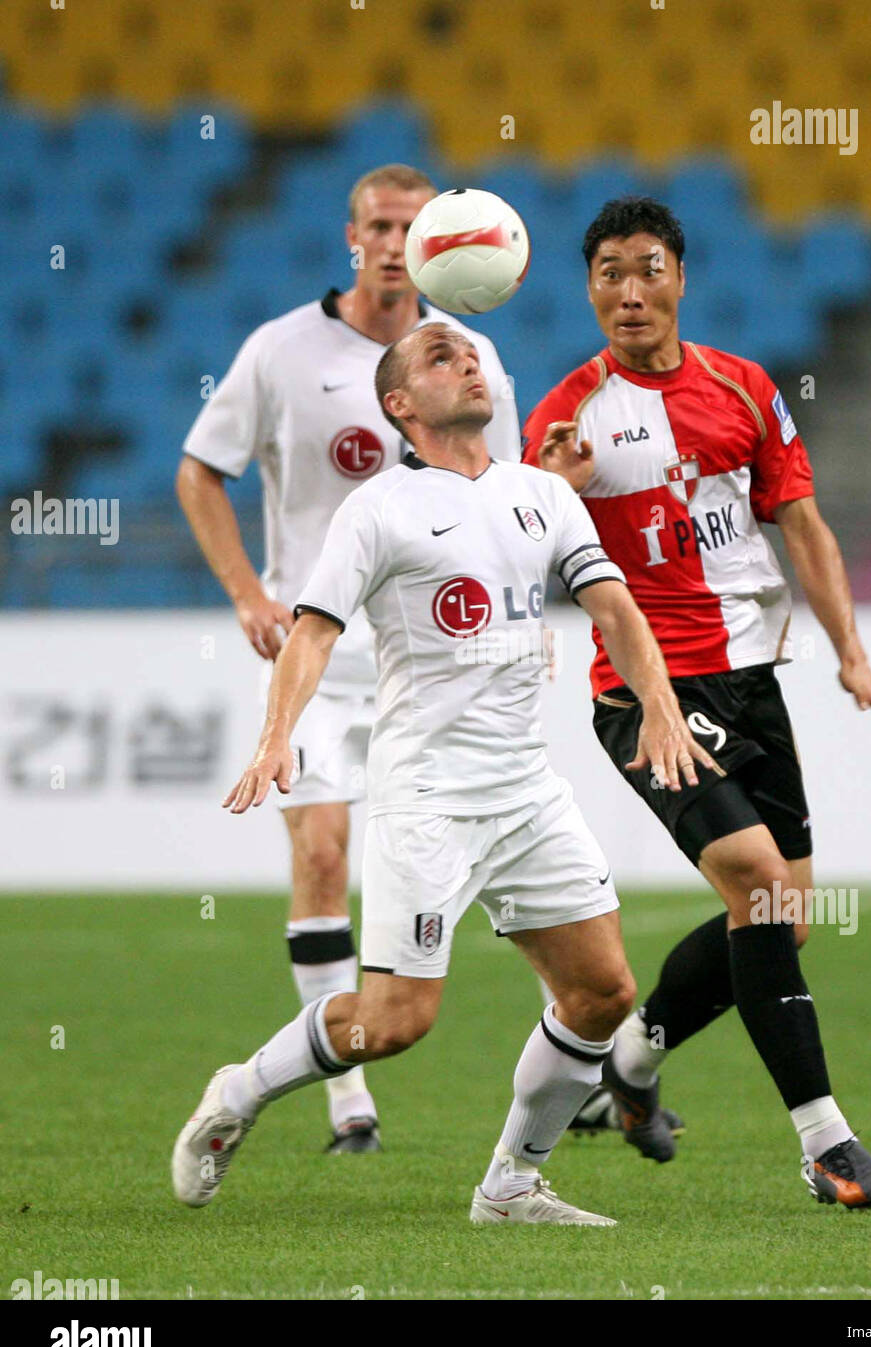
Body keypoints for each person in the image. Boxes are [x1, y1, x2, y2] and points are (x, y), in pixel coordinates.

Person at [172, 323, 716, 1225]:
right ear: (398, 404)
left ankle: (509, 1186)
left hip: (526, 790)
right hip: (426, 796)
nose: (464, 362)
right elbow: (313, 631)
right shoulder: (378, 509)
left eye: (469, 355)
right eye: (437, 358)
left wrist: (659, 702)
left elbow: (612, 605)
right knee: (393, 1024)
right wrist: (278, 737)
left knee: (603, 992)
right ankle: (238, 1091)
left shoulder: (542, 493)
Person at [524, 196, 871, 1209]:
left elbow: (802, 525)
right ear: (590, 289)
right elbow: (511, 557)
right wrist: (547, 491)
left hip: (749, 677)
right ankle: (826, 1145)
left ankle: (633, 1065)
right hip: (643, 689)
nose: (628, 290)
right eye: (607, 271)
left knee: (782, 910)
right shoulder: (564, 420)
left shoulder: (742, 388)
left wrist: (851, 654)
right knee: (751, 876)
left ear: (679, 279)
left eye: (645, 268)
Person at [176, 164, 520, 1154]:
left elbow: (503, 489)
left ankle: (581, 1048)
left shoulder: (471, 355)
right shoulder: (281, 350)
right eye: (375, 224)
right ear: (350, 237)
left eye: (407, 227)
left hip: (439, 652)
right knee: (322, 849)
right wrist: (247, 590)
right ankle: (347, 1096)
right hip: (317, 647)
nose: (388, 240)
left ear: (431, 243)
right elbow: (200, 472)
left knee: (490, 862)